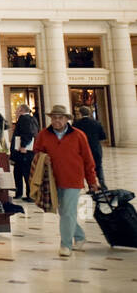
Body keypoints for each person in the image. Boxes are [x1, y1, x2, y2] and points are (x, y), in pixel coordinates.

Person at [33, 105, 100, 257]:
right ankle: (80, 237)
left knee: (68, 212)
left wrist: (92, 181)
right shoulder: (44, 134)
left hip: (73, 180)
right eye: (54, 118)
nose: (56, 120)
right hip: (52, 180)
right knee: (63, 212)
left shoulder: (78, 135)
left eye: (60, 118)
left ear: (66, 119)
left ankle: (66, 245)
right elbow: (37, 151)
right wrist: (42, 158)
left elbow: (88, 160)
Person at [71, 105, 107, 186]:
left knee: (85, 167)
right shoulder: (97, 123)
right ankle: (102, 184)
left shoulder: (76, 124)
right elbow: (103, 137)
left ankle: (90, 186)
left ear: (80, 113)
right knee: (98, 167)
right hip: (96, 149)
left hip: (82, 150)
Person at [10, 104, 39, 200]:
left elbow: (28, 133)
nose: (15, 112)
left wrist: (23, 145)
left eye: (17, 110)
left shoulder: (24, 119)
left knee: (22, 172)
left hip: (23, 151)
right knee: (24, 172)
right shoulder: (33, 119)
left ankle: (26, 194)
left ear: (21, 110)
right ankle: (26, 193)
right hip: (29, 151)